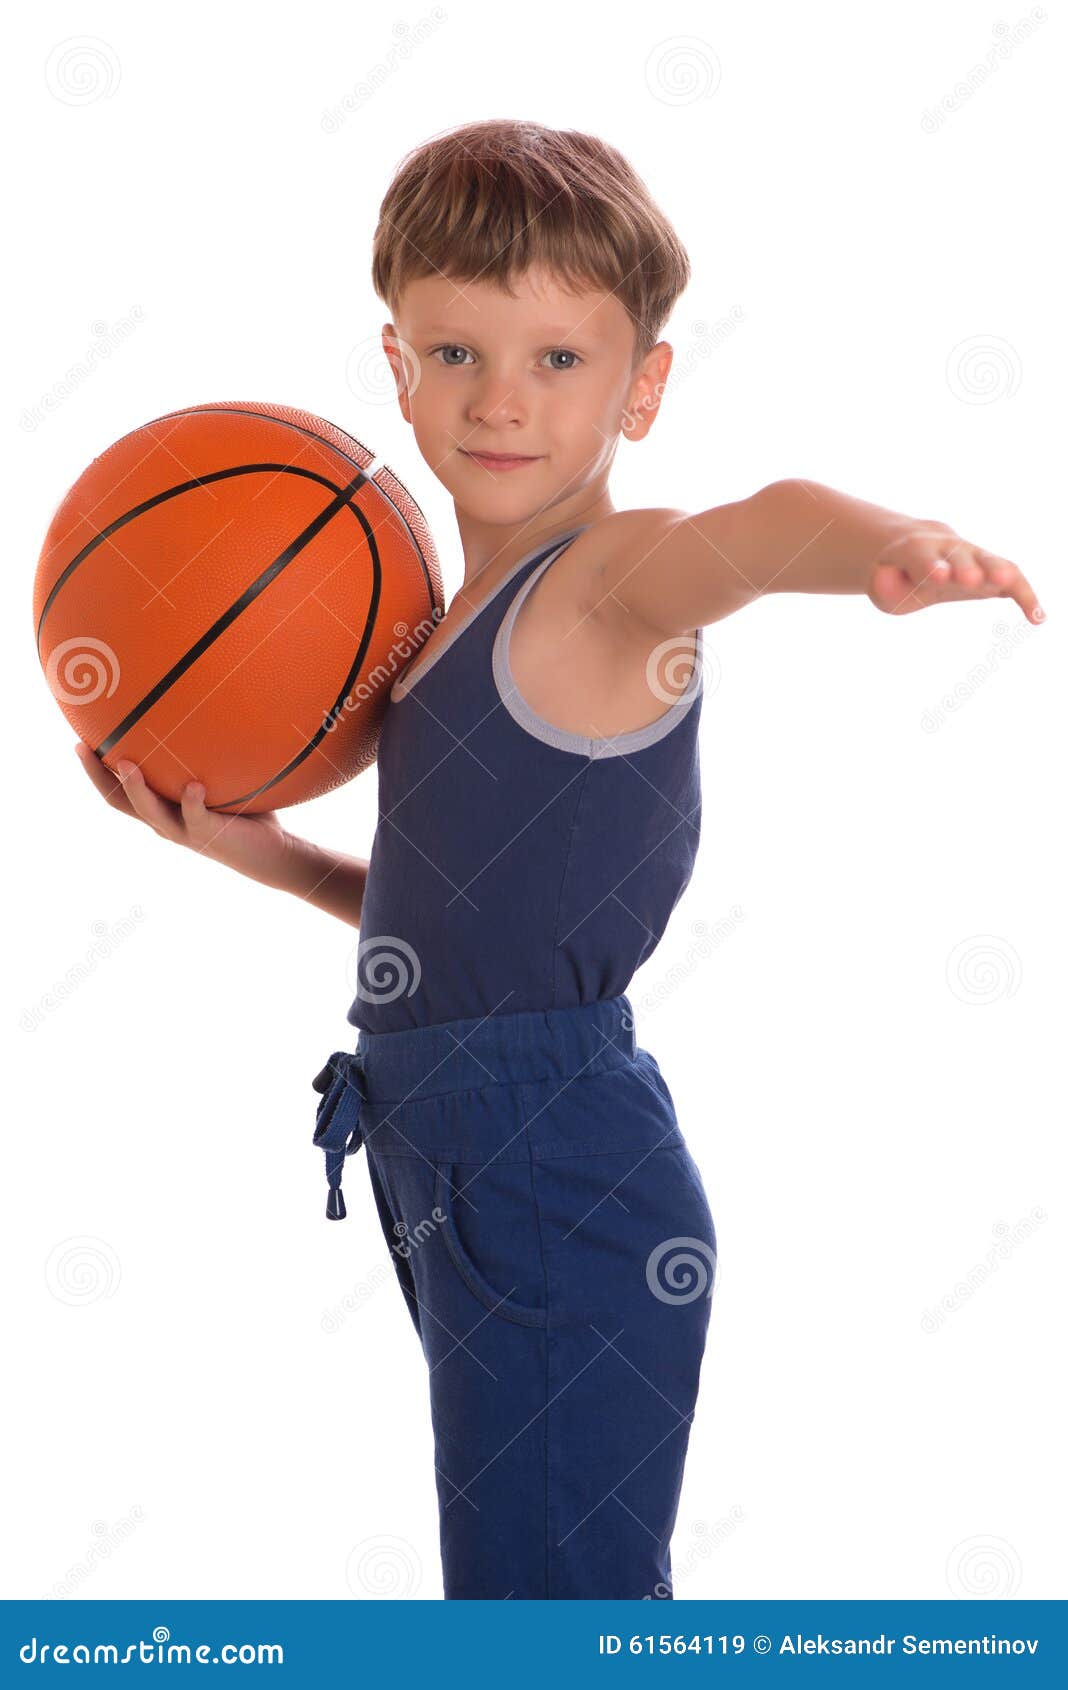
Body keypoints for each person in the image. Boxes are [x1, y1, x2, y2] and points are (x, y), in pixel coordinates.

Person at [75, 119, 1043, 1600]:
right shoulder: (434, 634)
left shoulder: (604, 583)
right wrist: (269, 858)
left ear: (643, 385)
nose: (501, 399)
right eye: (457, 353)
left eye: (561, 358)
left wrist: (886, 544)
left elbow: (756, 528)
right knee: (541, 1588)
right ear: (397, 365)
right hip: (460, 1150)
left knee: (546, 1612)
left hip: (558, 1162)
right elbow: (463, 932)